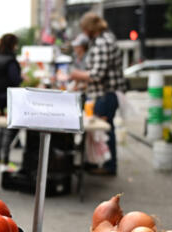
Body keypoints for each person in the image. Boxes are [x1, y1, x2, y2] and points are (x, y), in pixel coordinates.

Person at [70, 11, 126, 176]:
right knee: (103, 131)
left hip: (105, 94)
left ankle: (108, 166)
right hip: (105, 93)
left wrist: (76, 75)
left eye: (83, 29)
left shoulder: (102, 42)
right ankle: (102, 163)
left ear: (89, 27)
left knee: (104, 131)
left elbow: (97, 74)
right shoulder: (103, 40)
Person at [0, 33, 22, 172]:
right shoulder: (11, 61)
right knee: (8, 131)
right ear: (12, 45)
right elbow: (15, 80)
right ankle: (5, 161)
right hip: (9, 99)